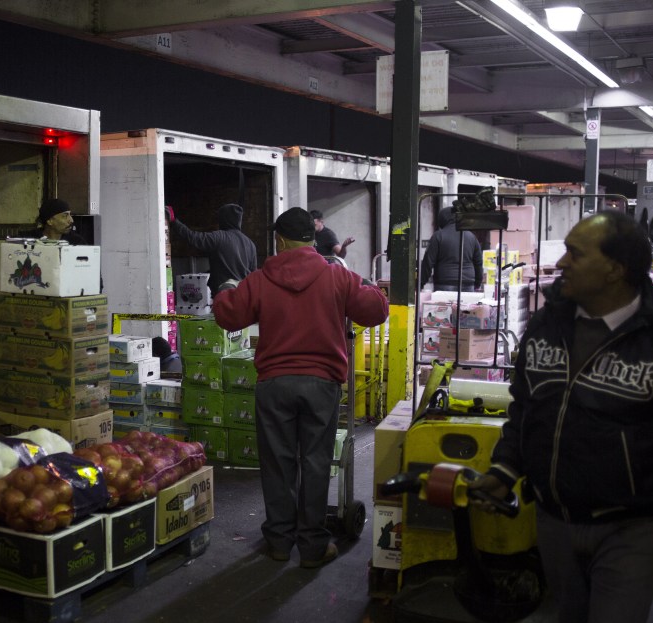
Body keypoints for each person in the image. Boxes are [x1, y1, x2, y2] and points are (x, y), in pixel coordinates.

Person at [468, 210, 653, 623]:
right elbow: (527, 407)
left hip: (630, 530)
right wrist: (505, 468)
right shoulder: (547, 327)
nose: (561, 264)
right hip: (554, 521)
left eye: (576, 252)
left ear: (615, 268)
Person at [212, 207, 388, 568]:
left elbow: (228, 315)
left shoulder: (261, 279)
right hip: (322, 384)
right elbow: (376, 311)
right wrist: (366, 285)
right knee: (316, 462)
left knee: (277, 463)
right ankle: (313, 545)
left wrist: (226, 288)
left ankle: (279, 542)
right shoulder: (336, 276)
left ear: (279, 240)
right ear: (313, 236)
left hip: (274, 384)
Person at [166, 204, 257, 298]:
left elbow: (193, 237)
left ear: (224, 219)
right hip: (244, 297)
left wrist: (174, 221)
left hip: (225, 298)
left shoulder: (219, 237)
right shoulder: (250, 244)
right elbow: (253, 274)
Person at [419, 206, 484, 291]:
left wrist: (420, 283)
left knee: (444, 305)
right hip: (468, 283)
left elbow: (428, 262)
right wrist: (478, 283)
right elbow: (478, 263)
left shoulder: (438, 236)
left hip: (444, 282)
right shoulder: (471, 237)